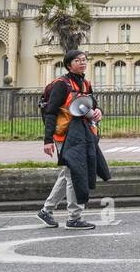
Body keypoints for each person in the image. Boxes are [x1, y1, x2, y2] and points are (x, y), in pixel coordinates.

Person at [37, 49, 110, 231]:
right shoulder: (62, 85)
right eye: (78, 60)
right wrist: (47, 140)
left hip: (82, 135)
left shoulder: (85, 83)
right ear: (69, 65)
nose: (83, 63)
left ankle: (46, 210)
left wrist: (99, 110)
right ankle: (74, 218)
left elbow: (91, 103)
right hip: (66, 136)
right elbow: (51, 112)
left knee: (68, 173)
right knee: (75, 173)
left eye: (84, 59)